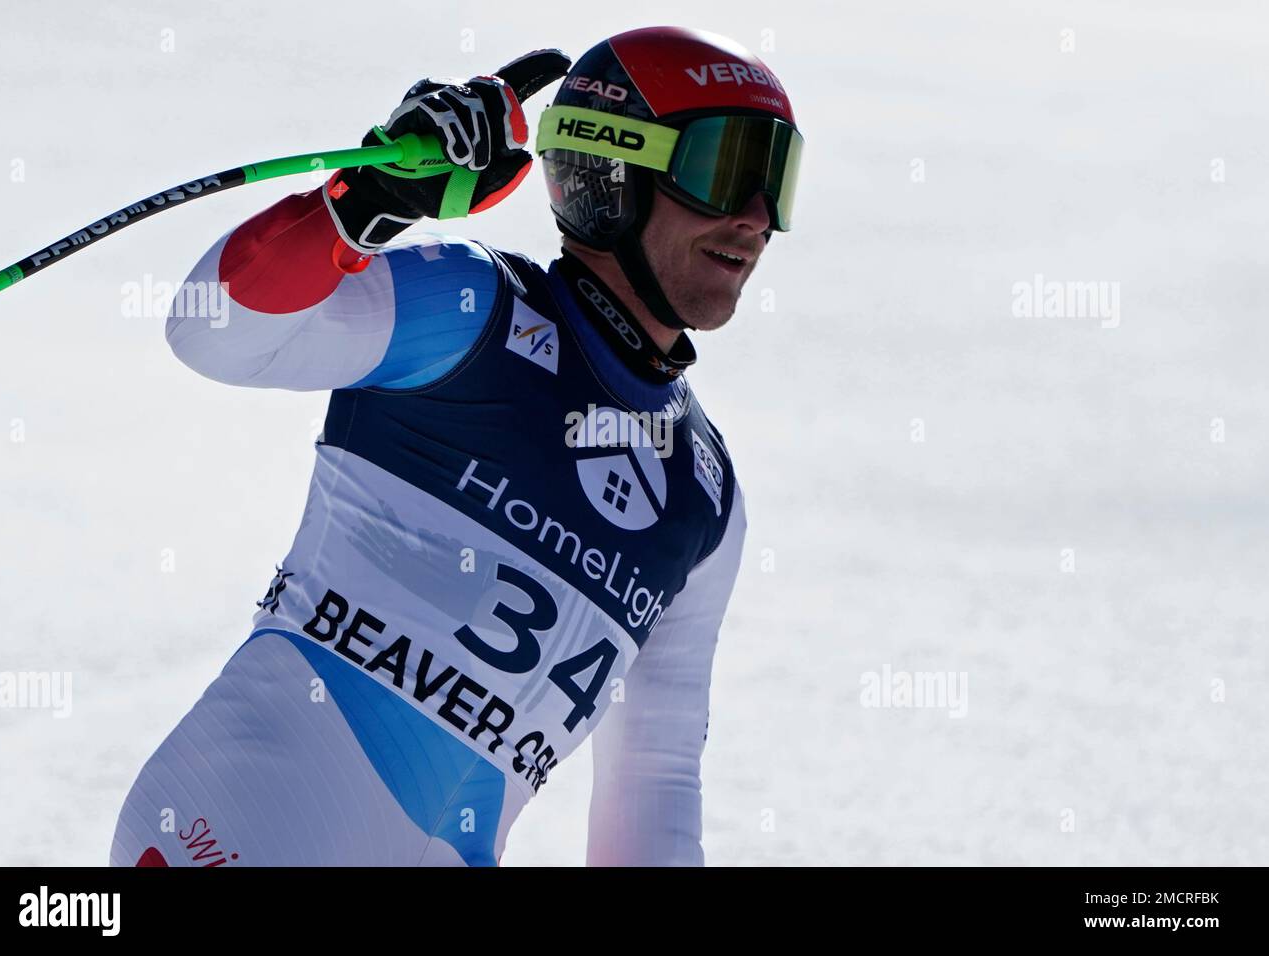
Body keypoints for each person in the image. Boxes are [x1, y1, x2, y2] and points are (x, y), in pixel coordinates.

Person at [109, 24, 803, 867]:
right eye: (724, 170)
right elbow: (210, 332)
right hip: (242, 829)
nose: (757, 218)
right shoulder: (476, 308)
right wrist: (359, 205)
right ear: (615, 170)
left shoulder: (706, 494)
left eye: (776, 179)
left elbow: (655, 780)